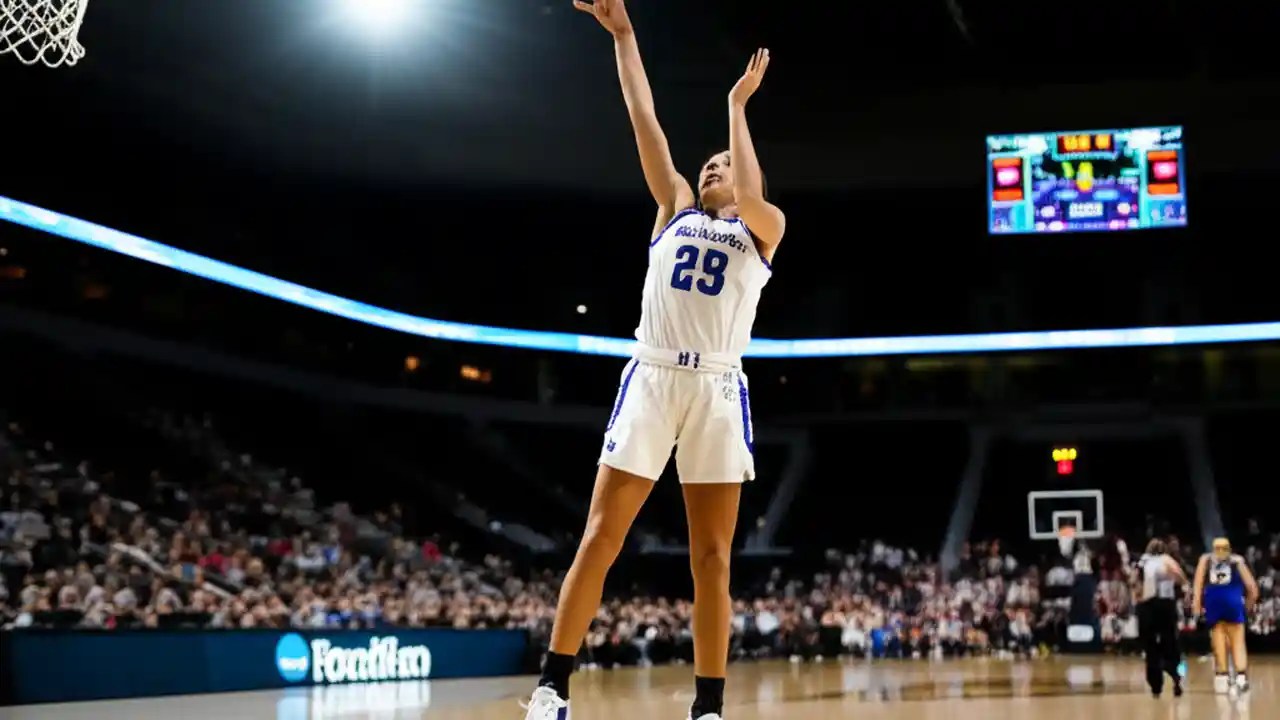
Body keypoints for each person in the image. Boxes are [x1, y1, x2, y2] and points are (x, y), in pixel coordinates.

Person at [522, 2, 784, 719]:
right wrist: (626, 37)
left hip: (718, 387)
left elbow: (756, 191)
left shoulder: (764, 228)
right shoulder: (671, 205)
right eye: (708, 164)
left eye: (722, 165)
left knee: (712, 558)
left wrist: (737, 107)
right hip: (654, 372)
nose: (711, 169)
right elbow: (646, 121)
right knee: (602, 533)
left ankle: (707, 707)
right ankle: (552, 686)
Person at [1193, 537, 1259, 695]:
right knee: (1238, 642)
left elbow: (1198, 585)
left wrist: (1197, 608)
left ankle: (1222, 677)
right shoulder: (1237, 561)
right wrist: (1247, 608)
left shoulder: (1205, 560)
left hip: (1213, 607)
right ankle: (1241, 676)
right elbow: (1252, 588)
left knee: (1218, 641)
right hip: (1234, 606)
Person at [1134, 539, 1188, 698]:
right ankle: (1176, 677)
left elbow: (1132, 580)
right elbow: (1180, 577)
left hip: (1146, 606)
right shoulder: (1167, 560)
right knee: (1171, 642)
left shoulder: (1142, 561)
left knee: (1150, 647)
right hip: (1165, 604)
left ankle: (1155, 687)